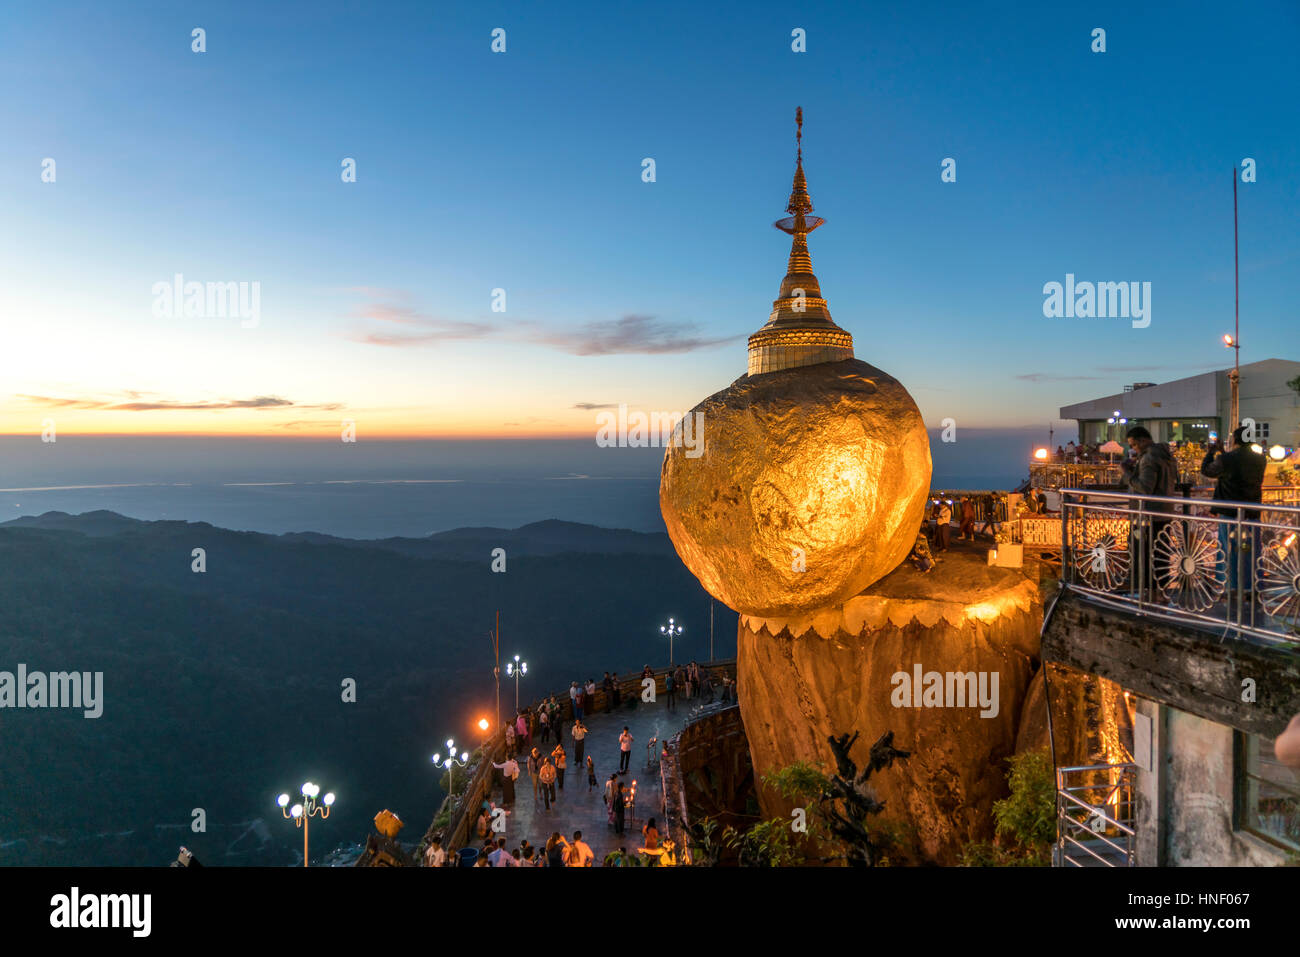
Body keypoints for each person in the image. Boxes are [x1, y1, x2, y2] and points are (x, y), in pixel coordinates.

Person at [1201, 425, 1267, 603]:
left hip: (1230, 512)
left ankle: (1230, 587)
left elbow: (1208, 471)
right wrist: (1223, 453)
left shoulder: (1226, 459)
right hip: (1252, 511)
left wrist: (1211, 453)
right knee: (1250, 550)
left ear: (1235, 440)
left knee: (1229, 550)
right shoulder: (1261, 459)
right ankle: (1253, 586)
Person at [1120, 425, 1178, 596]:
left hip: (1146, 516)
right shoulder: (1166, 456)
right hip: (1163, 513)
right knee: (1160, 557)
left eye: (1134, 445)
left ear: (1143, 441)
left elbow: (1145, 487)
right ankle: (1159, 593)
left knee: (1142, 557)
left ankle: (1142, 595)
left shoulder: (1149, 458)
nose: (1133, 449)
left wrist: (1126, 474)